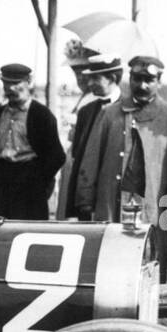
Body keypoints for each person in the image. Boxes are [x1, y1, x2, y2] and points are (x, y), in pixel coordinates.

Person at [76, 55, 167, 280]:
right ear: (129, 78)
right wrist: (85, 201)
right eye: (137, 78)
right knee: (110, 270)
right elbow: (90, 160)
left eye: (149, 79)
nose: (142, 85)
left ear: (159, 81)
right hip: (112, 208)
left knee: (148, 271)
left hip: (153, 212)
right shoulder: (109, 114)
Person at [0, 63, 64, 220]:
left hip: (28, 183)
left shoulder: (41, 115)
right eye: (7, 84)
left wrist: (38, 181)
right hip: (0, 183)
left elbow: (57, 156)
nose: (11, 89)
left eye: (16, 83)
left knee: (26, 230)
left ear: (29, 82)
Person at [61, 49, 121, 219]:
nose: (90, 83)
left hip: (113, 198)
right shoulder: (85, 112)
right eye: (89, 78)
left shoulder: (128, 109)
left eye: (96, 78)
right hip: (87, 198)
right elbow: (78, 157)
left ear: (112, 79)